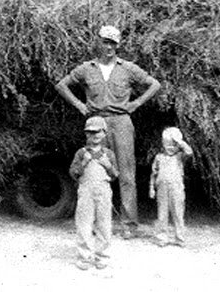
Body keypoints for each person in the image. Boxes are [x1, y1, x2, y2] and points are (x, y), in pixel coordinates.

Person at [55, 25, 161, 239]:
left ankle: (129, 225)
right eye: (105, 41)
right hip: (96, 123)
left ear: (118, 45)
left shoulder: (128, 68)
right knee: (95, 171)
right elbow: (62, 85)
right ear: (98, 42)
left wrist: (136, 103)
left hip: (121, 122)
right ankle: (95, 224)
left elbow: (154, 84)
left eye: (113, 42)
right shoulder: (87, 68)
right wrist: (79, 105)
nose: (109, 47)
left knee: (126, 174)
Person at [69, 115, 118, 270]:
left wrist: (108, 165)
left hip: (103, 190)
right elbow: (73, 173)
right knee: (84, 223)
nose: (94, 136)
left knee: (104, 223)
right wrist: (84, 162)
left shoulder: (108, 154)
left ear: (104, 133)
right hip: (86, 190)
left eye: (98, 132)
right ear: (86, 134)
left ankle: (102, 256)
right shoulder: (81, 153)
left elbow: (115, 175)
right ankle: (84, 257)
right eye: (90, 132)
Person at [148, 126, 194, 247]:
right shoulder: (159, 157)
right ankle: (162, 238)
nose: (171, 148)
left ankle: (180, 237)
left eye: (174, 145)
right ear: (163, 144)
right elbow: (153, 174)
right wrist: (151, 188)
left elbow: (189, 152)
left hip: (176, 188)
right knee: (162, 214)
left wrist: (179, 141)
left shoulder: (179, 157)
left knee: (178, 213)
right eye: (168, 145)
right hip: (162, 189)